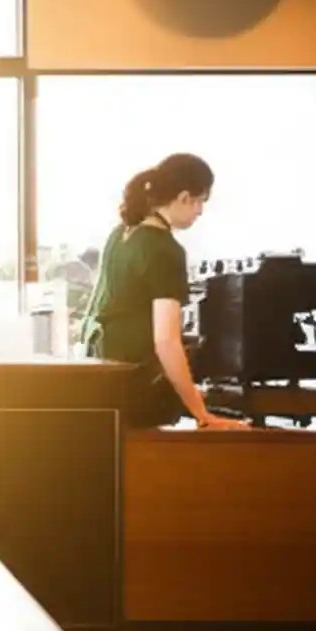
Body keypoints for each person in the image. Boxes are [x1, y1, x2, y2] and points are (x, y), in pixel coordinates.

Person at [80, 154, 248, 431]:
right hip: (134, 384)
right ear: (184, 197)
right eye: (201, 201)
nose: (200, 212)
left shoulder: (120, 234)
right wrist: (202, 414)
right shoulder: (165, 250)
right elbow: (166, 341)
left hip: (100, 380)